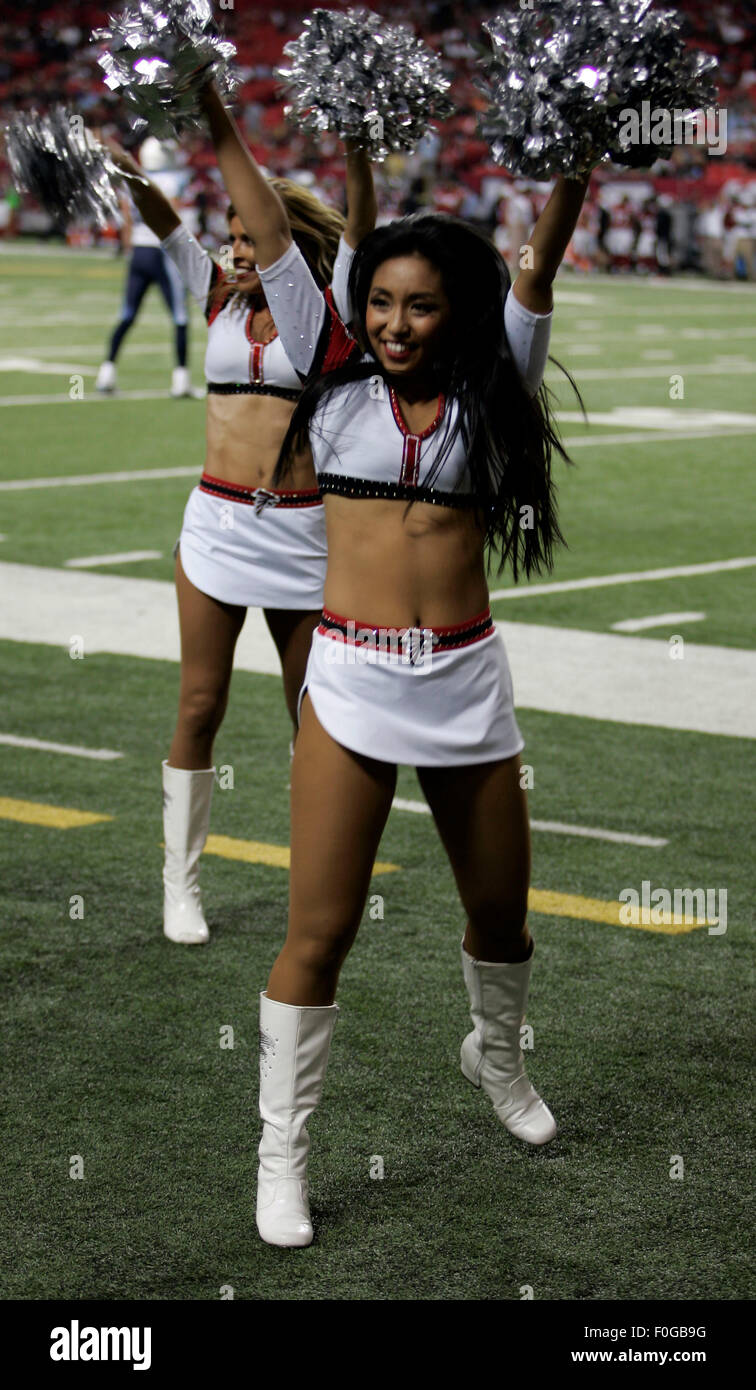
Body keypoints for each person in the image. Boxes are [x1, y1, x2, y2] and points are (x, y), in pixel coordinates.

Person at [204, 79, 591, 1248]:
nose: (394, 324)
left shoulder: (494, 388)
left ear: (457, 314)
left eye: (420, 307)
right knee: (317, 930)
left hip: (467, 684)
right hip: (353, 683)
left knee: (505, 921)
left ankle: (497, 1058)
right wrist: (211, 113)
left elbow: (538, 265)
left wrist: (575, 152)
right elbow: (270, 234)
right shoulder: (333, 384)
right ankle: (284, 1158)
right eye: (378, 302)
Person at [104, 127, 375, 947]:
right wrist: (125, 168)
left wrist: (360, 154)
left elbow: (361, 226)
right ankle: (179, 887)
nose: (237, 248)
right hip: (215, 524)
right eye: (232, 236)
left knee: (312, 719)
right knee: (197, 704)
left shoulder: (326, 312)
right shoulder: (218, 294)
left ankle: (314, 885)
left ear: (286, 242)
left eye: (252, 236)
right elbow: (164, 224)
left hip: (301, 533)